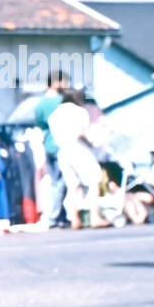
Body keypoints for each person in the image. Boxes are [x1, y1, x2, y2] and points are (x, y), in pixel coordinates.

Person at [46, 88, 102, 230]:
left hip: (63, 151)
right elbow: (80, 133)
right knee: (94, 180)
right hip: (79, 149)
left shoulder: (54, 114)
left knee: (73, 185)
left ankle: (75, 218)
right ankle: (95, 216)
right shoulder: (79, 111)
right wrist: (92, 144)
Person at [33, 70, 70, 227]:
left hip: (48, 144)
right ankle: (57, 216)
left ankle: (57, 215)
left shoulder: (40, 104)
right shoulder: (63, 101)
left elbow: (40, 125)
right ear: (57, 82)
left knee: (55, 181)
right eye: (65, 81)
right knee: (65, 181)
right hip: (63, 143)